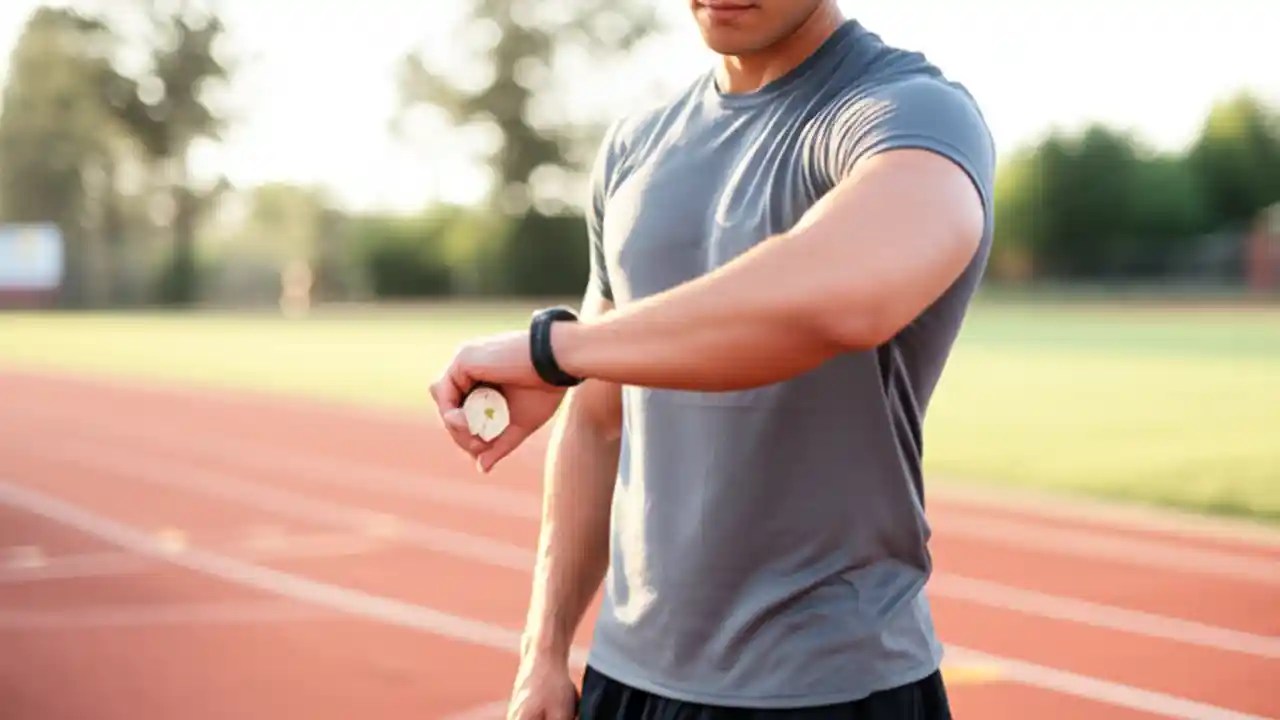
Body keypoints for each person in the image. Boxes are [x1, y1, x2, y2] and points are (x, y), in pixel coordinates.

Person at [429, 1, 995, 717]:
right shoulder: (637, 146)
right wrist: (543, 651)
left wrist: (556, 350)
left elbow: (844, 298)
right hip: (627, 681)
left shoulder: (910, 115)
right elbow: (599, 421)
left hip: (832, 687)